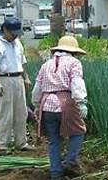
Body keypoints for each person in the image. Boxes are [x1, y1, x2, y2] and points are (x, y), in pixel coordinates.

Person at [32, 35, 88, 180]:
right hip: (65, 103)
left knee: (54, 140)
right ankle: (70, 161)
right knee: (79, 132)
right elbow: (76, 82)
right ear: (73, 52)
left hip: (46, 105)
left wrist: (37, 104)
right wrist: (81, 102)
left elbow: (38, 86)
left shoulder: (46, 64)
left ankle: (56, 174)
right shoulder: (74, 63)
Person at [0, 17, 35, 154]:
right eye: (13, 33)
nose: (15, 36)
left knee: (22, 112)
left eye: (17, 33)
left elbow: (22, 62)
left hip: (18, 79)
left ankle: (22, 142)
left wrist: (26, 78)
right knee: (6, 114)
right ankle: (3, 145)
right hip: (5, 80)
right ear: (5, 30)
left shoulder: (17, 43)